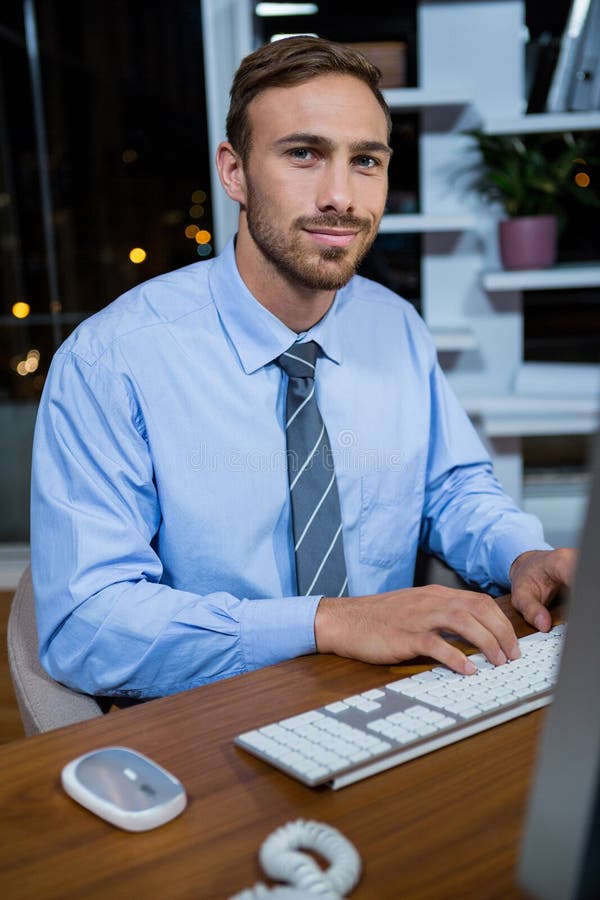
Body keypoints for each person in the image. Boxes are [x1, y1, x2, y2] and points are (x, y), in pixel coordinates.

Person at [31, 36, 575, 701]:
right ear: (234, 172)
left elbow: (451, 488)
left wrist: (522, 555)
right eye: (303, 154)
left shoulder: (393, 324)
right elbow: (86, 627)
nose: (340, 195)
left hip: (391, 694)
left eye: (365, 160)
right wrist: (326, 622)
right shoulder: (110, 361)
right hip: (210, 716)